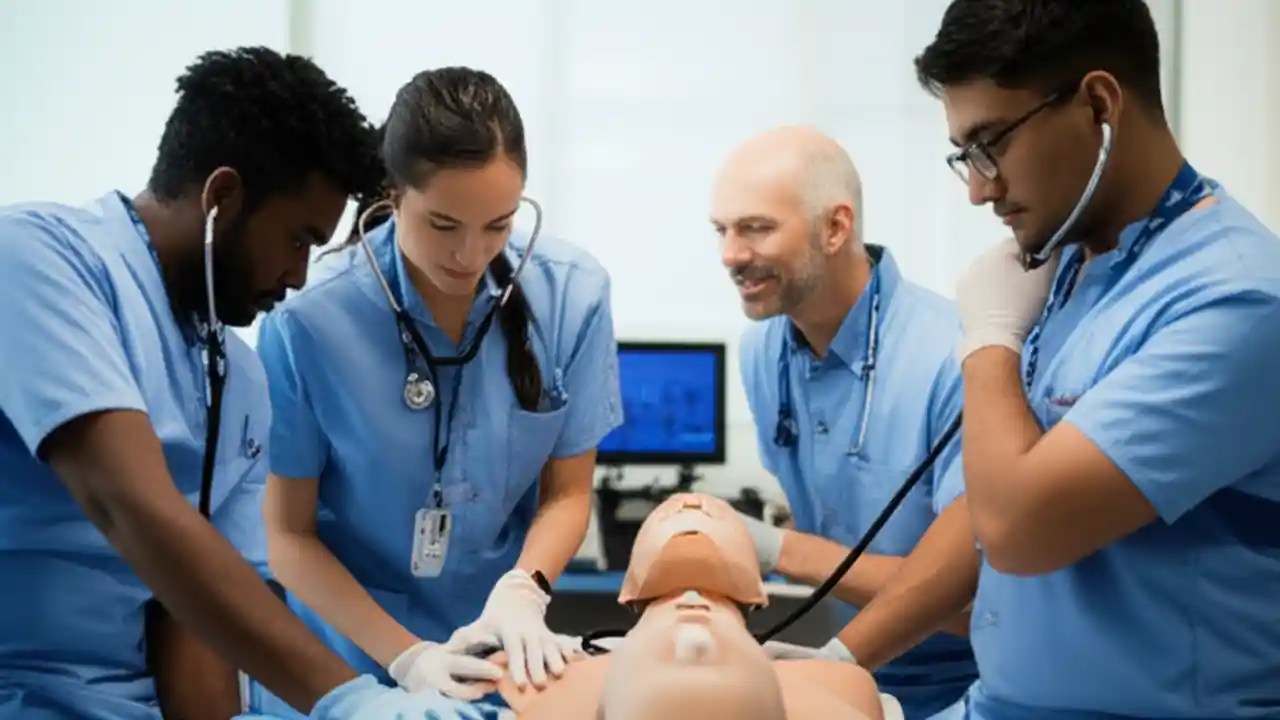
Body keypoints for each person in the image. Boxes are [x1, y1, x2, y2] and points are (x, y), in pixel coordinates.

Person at [0, 46, 495, 720]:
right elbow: (132, 508)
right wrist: (349, 699)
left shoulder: (235, 377)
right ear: (222, 197)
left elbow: (192, 614)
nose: (298, 276)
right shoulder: (39, 261)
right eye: (297, 239)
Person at [916, 0, 1280, 718]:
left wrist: (988, 340)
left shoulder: (1240, 298)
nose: (979, 189)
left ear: (1098, 105)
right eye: (966, 154)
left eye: (991, 144)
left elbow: (1019, 528)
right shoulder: (1074, 270)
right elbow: (984, 505)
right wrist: (842, 660)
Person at [247, 66, 622, 716]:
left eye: (498, 225)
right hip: (346, 668)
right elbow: (288, 536)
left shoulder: (571, 297)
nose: (470, 255)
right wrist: (408, 658)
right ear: (392, 194)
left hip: (496, 659)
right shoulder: (308, 324)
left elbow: (566, 494)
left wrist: (522, 592)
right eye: (444, 225)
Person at [709, 126, 980, 720]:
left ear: (835, 228)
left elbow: (974, 603)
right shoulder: (762, 352)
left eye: (755, 228)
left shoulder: (955, 356)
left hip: (963, 690)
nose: (730, 254)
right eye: (721, 230)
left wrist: (782, 550)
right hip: (846, 673)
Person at [484, 492, 895, 720]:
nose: (693, 506)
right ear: (628, 592)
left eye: (715, 514)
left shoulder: (838, 681)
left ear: (758, 593)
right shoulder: (534, 671)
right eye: (672, 512)